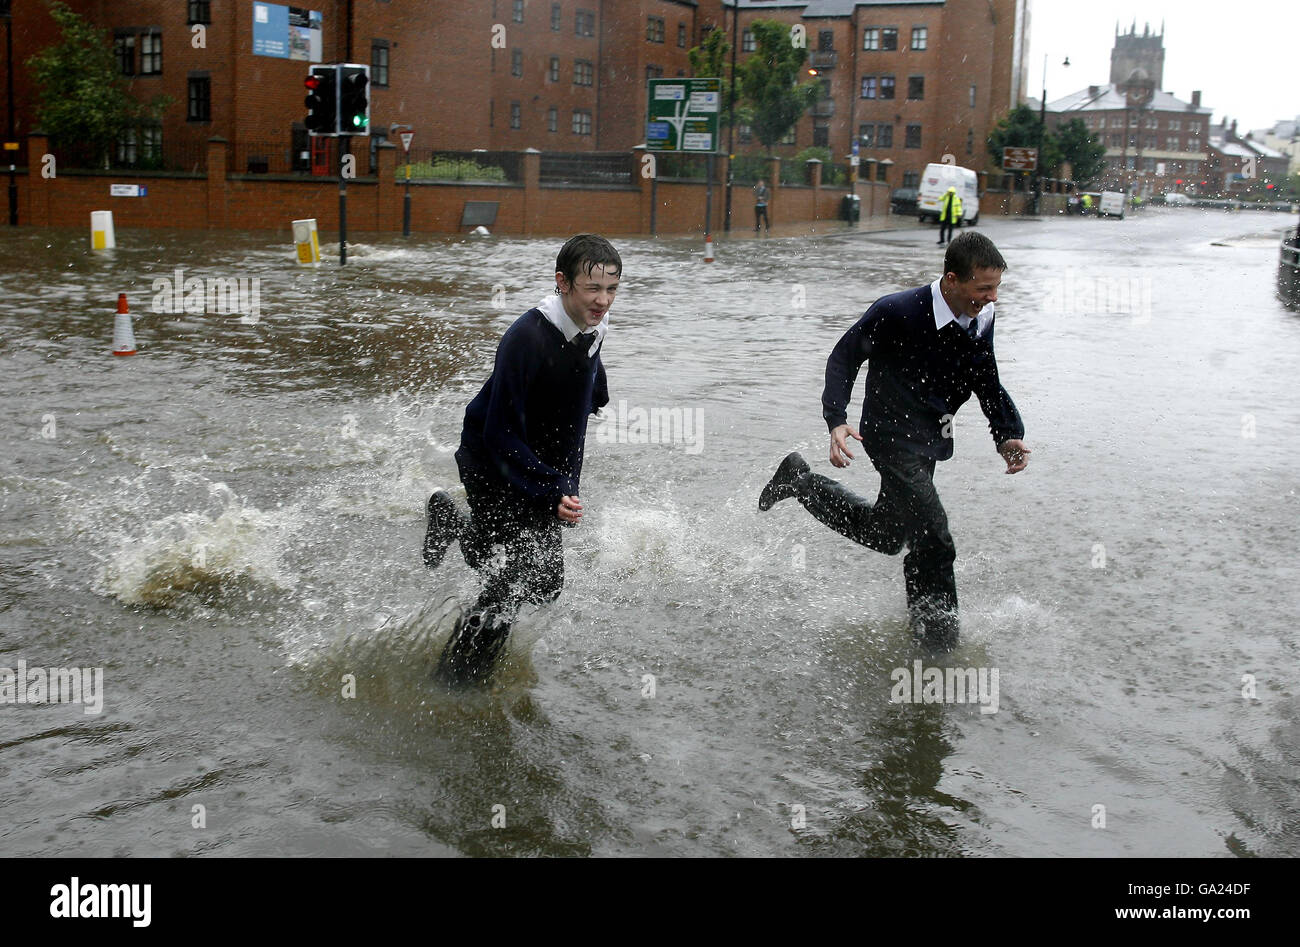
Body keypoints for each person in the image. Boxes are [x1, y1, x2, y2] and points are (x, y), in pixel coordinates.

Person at [757, 231, 1030, 651]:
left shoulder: (982, 318)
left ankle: (801, 482)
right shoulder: (898, 310)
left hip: (930, 439)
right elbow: (844, 357)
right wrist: (836, 419)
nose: (992, 297)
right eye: (984, 288)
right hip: (888, 435)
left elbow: (985, 379)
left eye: (996, 288)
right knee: (933, 536)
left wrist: (1006, 433)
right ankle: (936, 643)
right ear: (952, 279)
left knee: (888, 535)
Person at [421, 234, 619, 685]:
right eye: (593, 289)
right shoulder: (525, 338)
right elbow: (498, 432)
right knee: (513, 575)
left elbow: (585, 359)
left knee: (546, 583)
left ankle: (453, 522)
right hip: (493, 464)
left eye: (611, 290)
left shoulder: (592, 324)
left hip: (537, 466)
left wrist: (596, 390)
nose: (603, 301)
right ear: (562, 284)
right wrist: (552, 491)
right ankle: (457, 677)